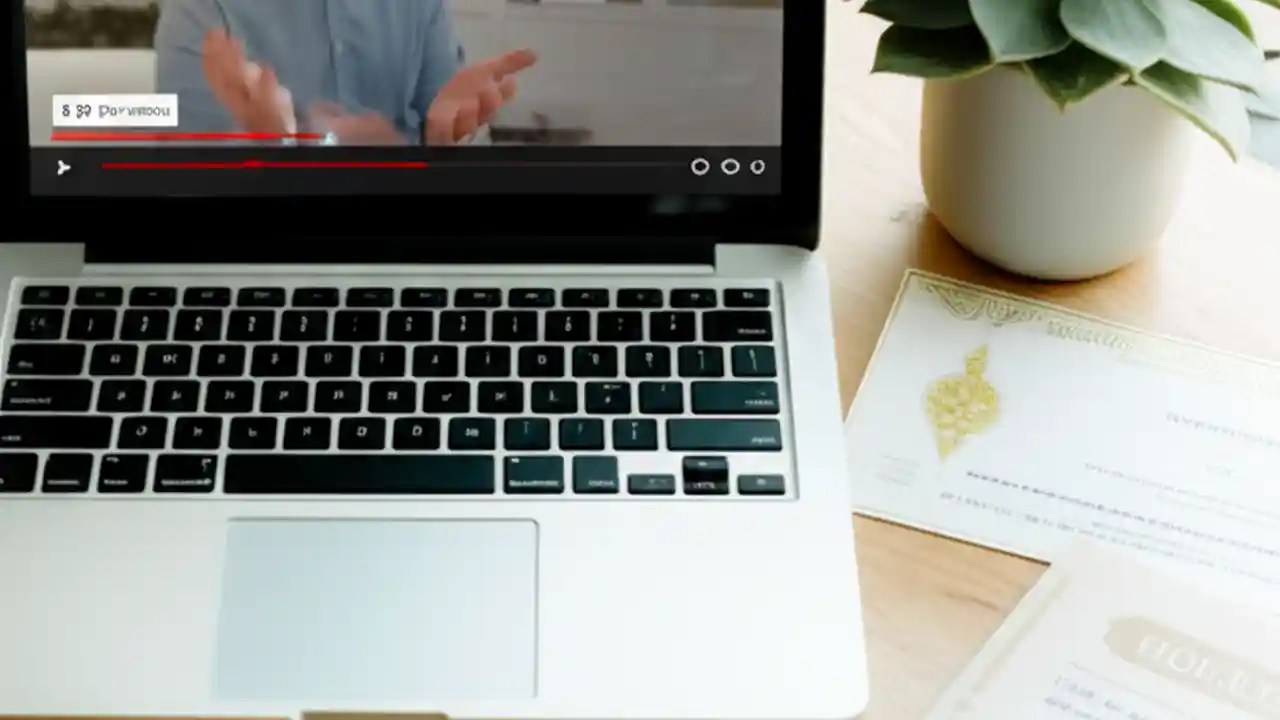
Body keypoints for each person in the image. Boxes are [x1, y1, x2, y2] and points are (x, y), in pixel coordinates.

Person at [154, 0, 537, 145]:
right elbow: (185, 186)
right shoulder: (202, 7)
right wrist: (274, 150)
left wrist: (445, 142)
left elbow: (441, 157)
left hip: (411, 259)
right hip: (269, 257)